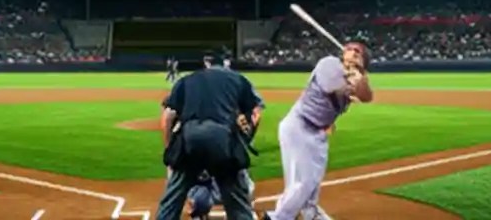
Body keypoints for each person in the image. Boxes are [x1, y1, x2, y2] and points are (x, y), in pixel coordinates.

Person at [265, 42, 373, 220]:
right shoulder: (329, 64)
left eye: (358, 52)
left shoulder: (356, 77)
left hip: (318, 132)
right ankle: (278, 217)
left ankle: (311, 214)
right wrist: (351, 77)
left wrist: (361, 79)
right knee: (303, 182)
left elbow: (367, 96)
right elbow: (331, 86)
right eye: (350, 49)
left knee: (313, 181)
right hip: (299, 126)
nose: (353, 53)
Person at [156, 53, 260, 220]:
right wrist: (245, 142)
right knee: (238, 204)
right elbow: (255, 115)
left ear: (207, 64)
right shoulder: (239, 80)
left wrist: (170, 151)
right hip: (222, 140)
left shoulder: (186, 80)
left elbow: (168, 116)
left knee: (172, 200)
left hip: (190, 139)